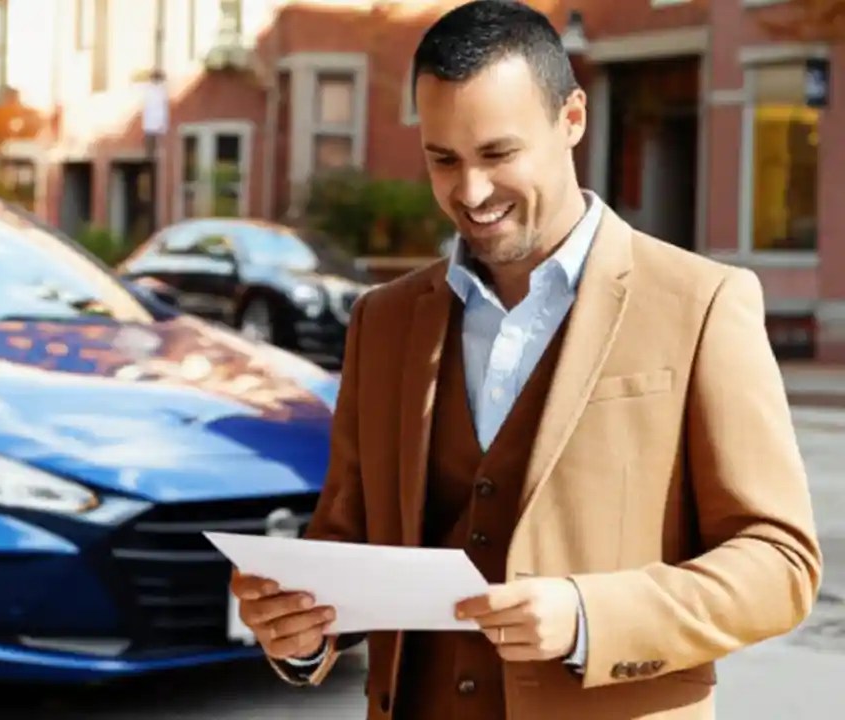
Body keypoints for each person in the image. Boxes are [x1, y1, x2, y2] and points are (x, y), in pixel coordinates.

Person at [228, 1, 822, 718]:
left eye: (498, 154)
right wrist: (298, 630)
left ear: (571, 119)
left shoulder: (702, 304)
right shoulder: (381, 323)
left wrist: (589, 615)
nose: (471, 192)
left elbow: (780, 564)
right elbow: (345, 549)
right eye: (443, 160)